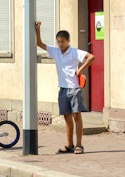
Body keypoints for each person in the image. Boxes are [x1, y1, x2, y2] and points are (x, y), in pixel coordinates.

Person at [35, 21, 95, 155]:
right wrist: (38, 29)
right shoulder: (56, 51)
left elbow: (91, 57)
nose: (60, 44)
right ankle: (69, 145)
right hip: (63, 88)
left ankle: (79, 145)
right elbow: (39, 43)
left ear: (68, 41)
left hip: (74, 88)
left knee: (77, 116)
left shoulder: (74, 52)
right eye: (58, 41)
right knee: (67, 117)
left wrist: (80, 70)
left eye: (62, 41)